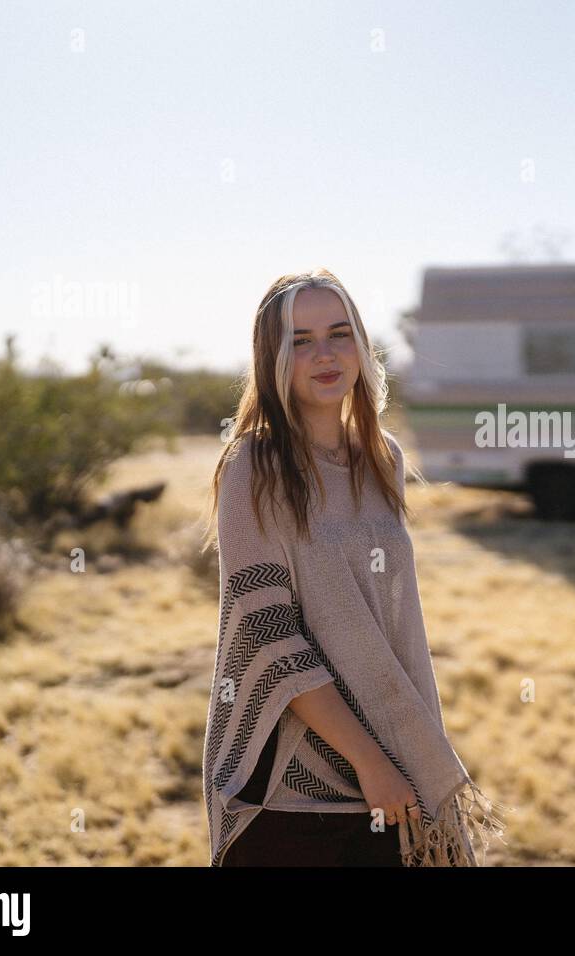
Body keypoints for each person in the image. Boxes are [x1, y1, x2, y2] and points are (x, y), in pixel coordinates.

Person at [199, 268, 508, 868]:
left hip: (391, 758)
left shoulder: (382, 458)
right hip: (293, 786)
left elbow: (385, 621)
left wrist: (391, 757)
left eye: (340, 334)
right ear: (273, 357)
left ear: (363, 347)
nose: (325, 354)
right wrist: (371, 764)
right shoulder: (253, 468)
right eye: (301, 340)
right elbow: (271, 638)